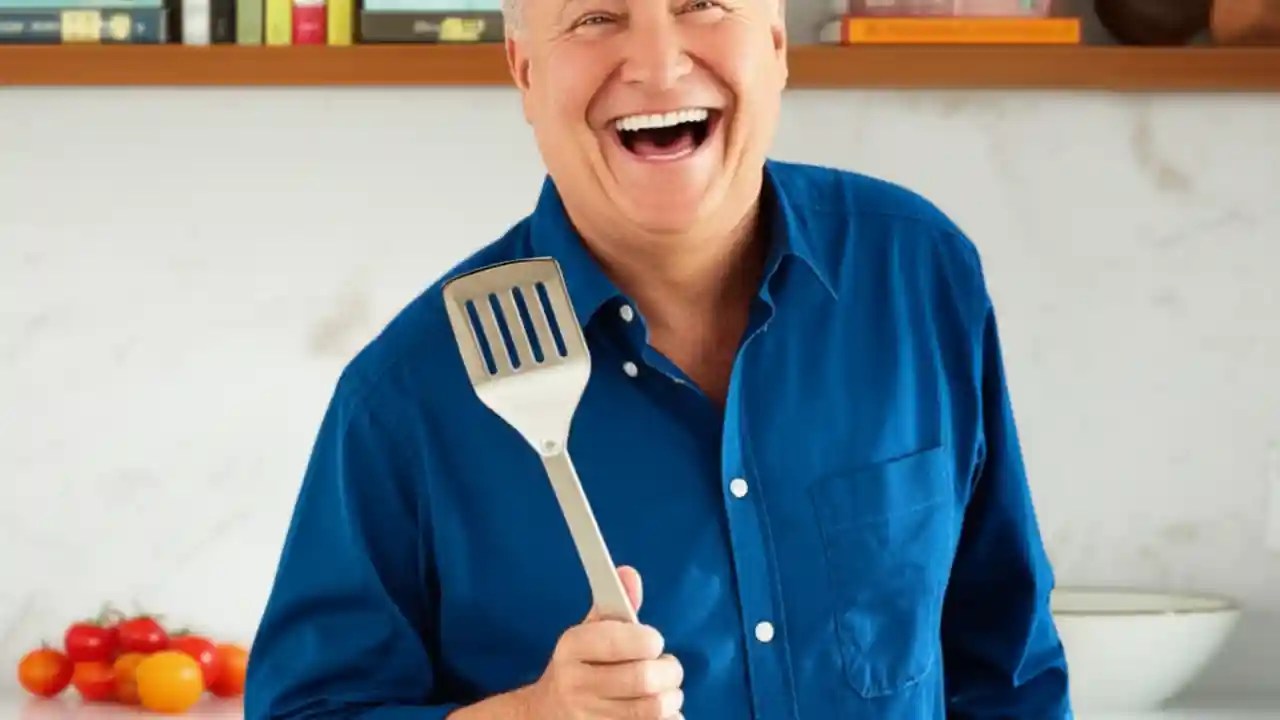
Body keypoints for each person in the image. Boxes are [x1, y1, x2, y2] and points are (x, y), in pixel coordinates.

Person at [243, 0, 1073, 714]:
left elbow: (1006, 668)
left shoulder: (916, 273)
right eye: (598, 17)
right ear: (524, 68)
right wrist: (533, 719)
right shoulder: (410, 394)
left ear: (776, 43)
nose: (657, 61)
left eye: (703, 3)